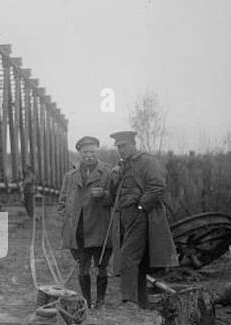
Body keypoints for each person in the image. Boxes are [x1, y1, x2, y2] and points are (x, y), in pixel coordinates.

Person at [106, 130, 178, 309]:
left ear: (133, 144)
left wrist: (141, 206)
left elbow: (157, 186)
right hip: (124, 218)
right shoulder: (123, 165)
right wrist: (115, 176)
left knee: (128, 257)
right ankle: (141, 303)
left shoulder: (148, 161)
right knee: (137, 261)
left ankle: (129, 301)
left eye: (123, 146)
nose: (120, 150)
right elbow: (115, 192)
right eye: (118, 147)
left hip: (141, 217)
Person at [59, 136, 115, 308]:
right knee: (82, 267)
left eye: (92, 152)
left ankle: (100, 301)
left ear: (97, 152)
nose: (88, 155)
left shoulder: (107, 172)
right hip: (79, 230)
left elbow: (116, 199)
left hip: (100, 228)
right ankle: (86, 301)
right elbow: (62, 201)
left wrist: (104, 195)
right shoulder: (70, 176)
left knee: (101, 266)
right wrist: (65, 221)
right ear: (79, 153)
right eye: (85, 152)